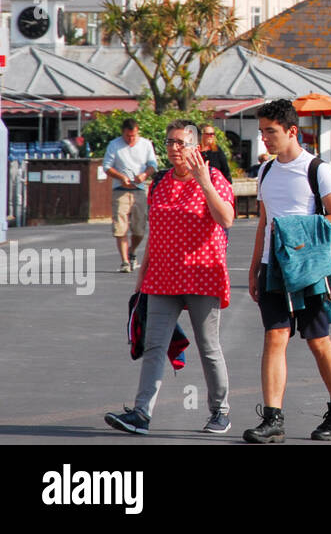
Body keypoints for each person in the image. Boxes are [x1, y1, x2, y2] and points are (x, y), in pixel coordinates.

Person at [104, 120, 235, 435]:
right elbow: (155, 234)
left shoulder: (214, 178)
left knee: (208, 346)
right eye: (169, 142)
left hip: (202, 274)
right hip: (162, 277)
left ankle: (221, 411)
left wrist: (204, 182)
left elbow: (226, 218)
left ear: (195, 146)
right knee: (154, 345)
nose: (174, 148)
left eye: (180, 142)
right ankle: (141, 414)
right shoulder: (160, 181)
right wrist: (141, 281)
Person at [245, 99, 331, 443]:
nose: (265, 138)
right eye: (262, 131)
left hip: (308, 267)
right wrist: (254, 269)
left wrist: (296, 228)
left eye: (271, 131)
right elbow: (264, 223)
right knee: (274, 337)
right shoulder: (266, 170)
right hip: (271, 267)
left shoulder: (317, 169)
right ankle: (273, 419)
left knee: (318, 340)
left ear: (292, 131)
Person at [102, 117, 159, 272]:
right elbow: (107, 166)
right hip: (120, 190)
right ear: (123, 133)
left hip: (139, 190)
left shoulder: (146, 144)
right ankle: (125, 261)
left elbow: (153, 165)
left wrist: (144, 175)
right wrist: (121, 177)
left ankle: (132, 251)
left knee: (139, 229)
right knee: (120, 228)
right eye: (128, 136)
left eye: (133, 135)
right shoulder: (114, 145)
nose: (131, 139)